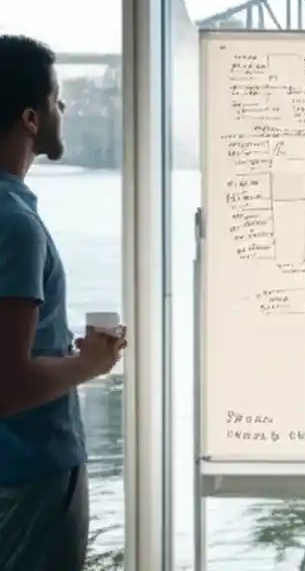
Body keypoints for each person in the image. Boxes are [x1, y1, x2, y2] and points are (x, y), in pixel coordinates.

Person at [0, 35, 126, 570]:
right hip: (32, 476)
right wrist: (90, 363)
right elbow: (8, 385)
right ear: (30, 118)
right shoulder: (15, 226)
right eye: (55, 99)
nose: (64, 108)